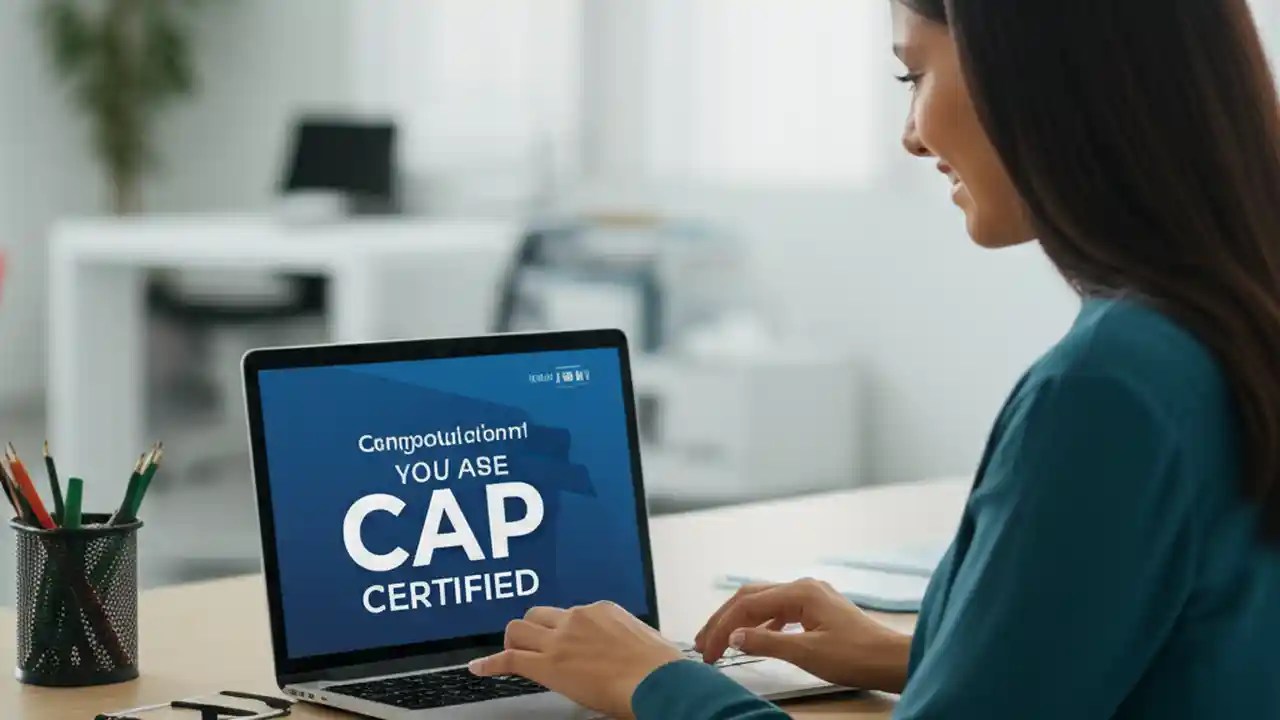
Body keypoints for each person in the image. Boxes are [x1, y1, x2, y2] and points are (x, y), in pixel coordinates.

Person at [470, 0, 1280, 717]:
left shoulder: (1107, 386)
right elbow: (1189, 648)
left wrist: (655, 680)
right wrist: (926, 651)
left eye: (913, 76)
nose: (912, 134)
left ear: (1037, 71)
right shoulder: (1230, 327)